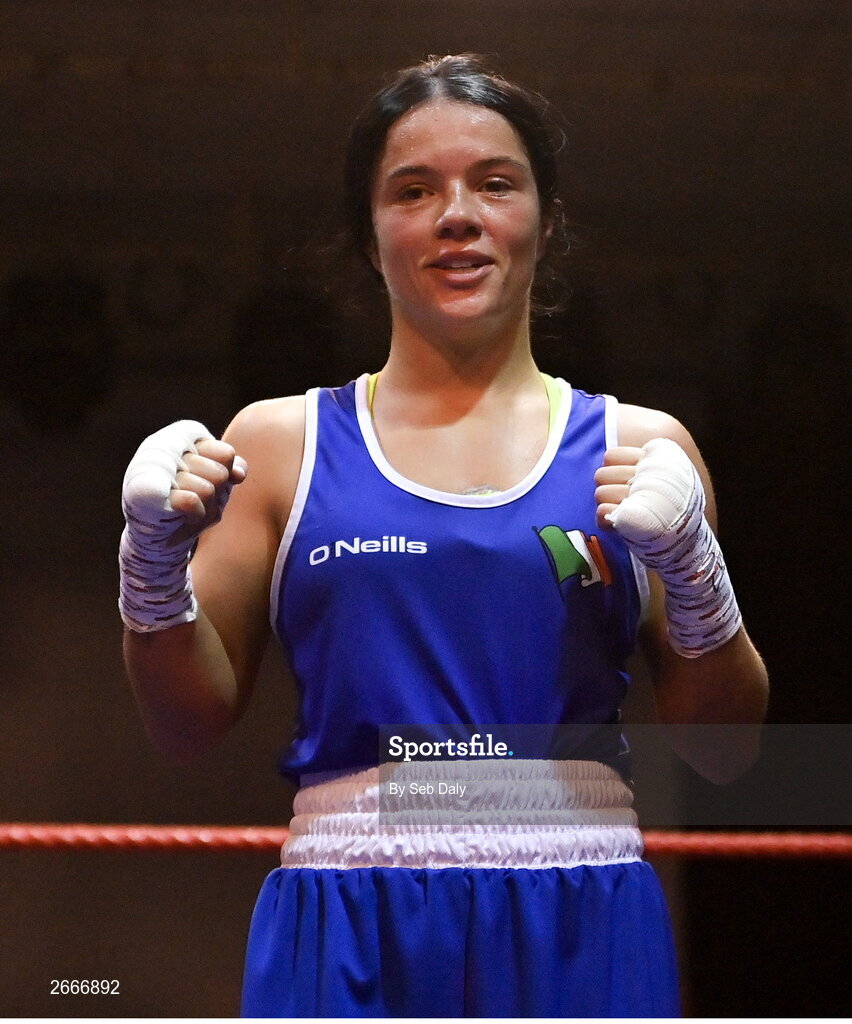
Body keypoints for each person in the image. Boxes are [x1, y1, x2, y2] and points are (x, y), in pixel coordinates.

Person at [120, 54, 768, 1017]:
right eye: (414, 190)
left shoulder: (638, 448)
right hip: (348, 913)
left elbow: (725, 754)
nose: (455, 214)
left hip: (576, 908)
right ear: (369, 235)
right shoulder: (279, 446)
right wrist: (149, 566)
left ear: (544, 224)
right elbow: (181, 730)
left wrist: (695, 575)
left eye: (493, 183)